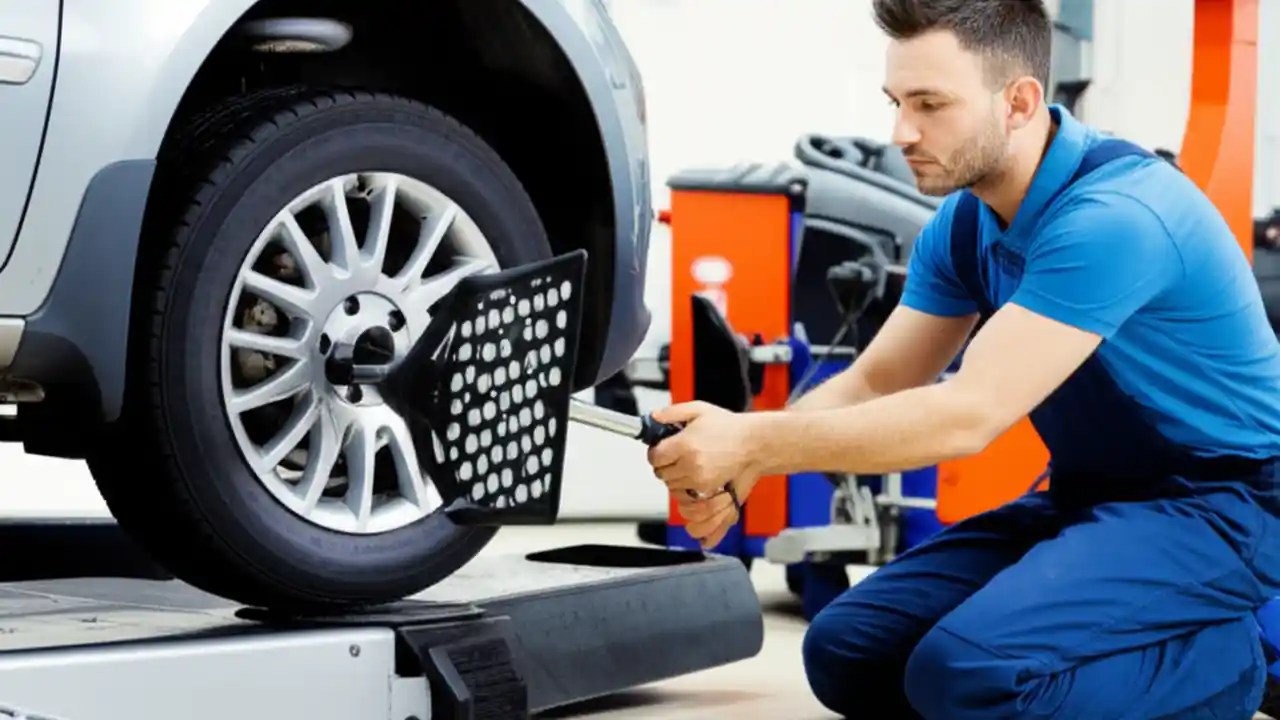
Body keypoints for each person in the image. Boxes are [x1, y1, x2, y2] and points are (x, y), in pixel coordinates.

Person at [645, 0, 1280, 717]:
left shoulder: (1115, 217)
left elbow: (965, 418)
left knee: (967, 672)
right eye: (896, 102)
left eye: (930, 105)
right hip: (1093, 494)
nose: (901, 133)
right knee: (844, 649)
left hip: (1224, 506)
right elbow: (876, 382)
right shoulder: (967, 221)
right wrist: (746, 460)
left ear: (1019, 102)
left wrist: (753, 440)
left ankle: (1231, 663)